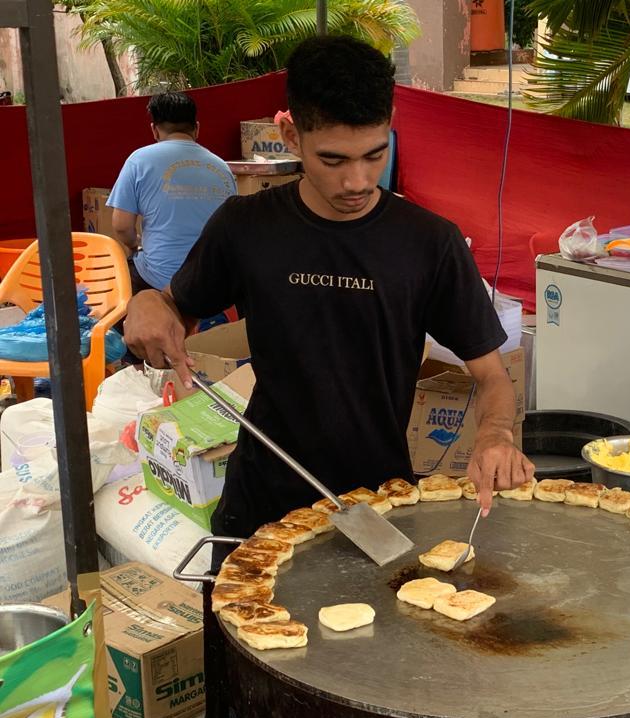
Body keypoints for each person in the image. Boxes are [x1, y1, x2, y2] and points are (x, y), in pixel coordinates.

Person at [125, 35, 532, 534]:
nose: (357, 181)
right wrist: (145, 302)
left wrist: (496, 435)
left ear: (390, 127)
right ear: (290, 135)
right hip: (262, 499)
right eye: (333, 160)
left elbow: (491, 375)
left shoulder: (429, 242)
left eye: (374, 155)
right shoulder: (245, 226)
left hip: (377, 504)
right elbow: (173, 308)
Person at [108, 91, 236, 294]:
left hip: (157, 279)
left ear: (154, 130)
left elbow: (121, 225)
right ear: (197, 128)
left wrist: (134, 245)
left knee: (116, 287)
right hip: (213, 281)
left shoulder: (139, 160)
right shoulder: (222, 168)